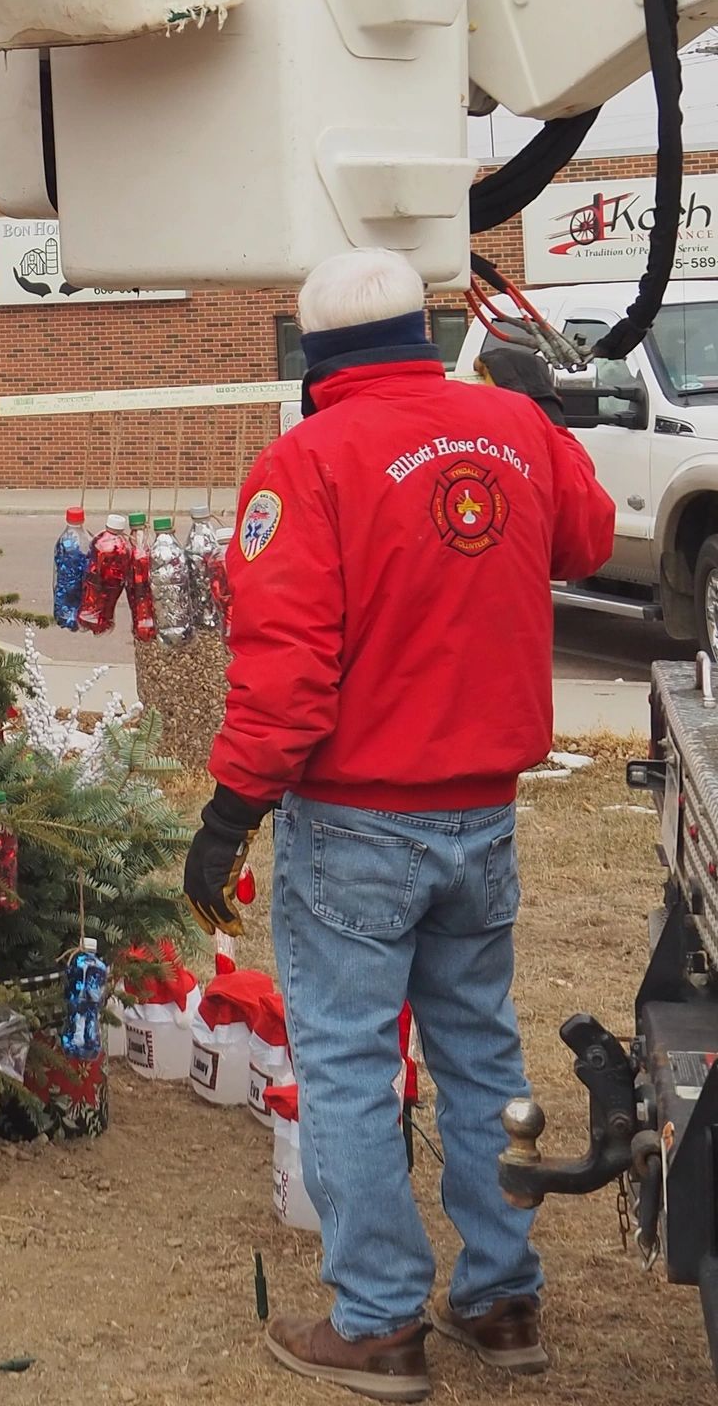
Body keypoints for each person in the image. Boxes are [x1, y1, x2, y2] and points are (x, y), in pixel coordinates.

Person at [183, 246, 614, 1399]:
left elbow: (286, 671)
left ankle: (376, 1320)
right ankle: (502, 1298)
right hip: (484, 816)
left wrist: (230, 812)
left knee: (347, 1064)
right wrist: (548, 421)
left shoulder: (308, 461)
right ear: (421, 330)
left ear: (318, 353)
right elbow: (585, 536)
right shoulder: (513, 428)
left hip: (358, 826)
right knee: (480, 1051)